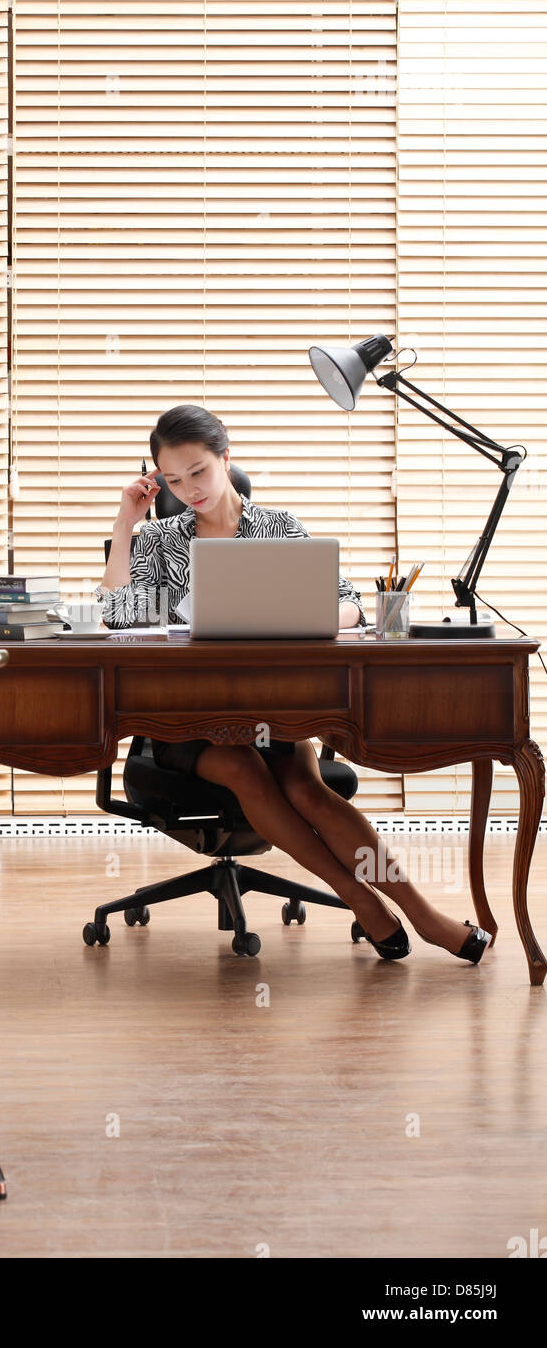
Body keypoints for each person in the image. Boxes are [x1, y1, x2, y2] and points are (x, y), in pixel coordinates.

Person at [94, 404, 490, 964]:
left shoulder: (279, 528)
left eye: (199, 472)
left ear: (226, 459)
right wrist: (124, 521)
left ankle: (425, 916)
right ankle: (358, 896)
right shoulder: (159, 541)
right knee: (241, 766)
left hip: (272, 713)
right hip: (184, 722)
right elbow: (116, 615)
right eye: (174, 480)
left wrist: (312, 616)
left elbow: (352, 604)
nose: (189, 490)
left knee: (308, 788)